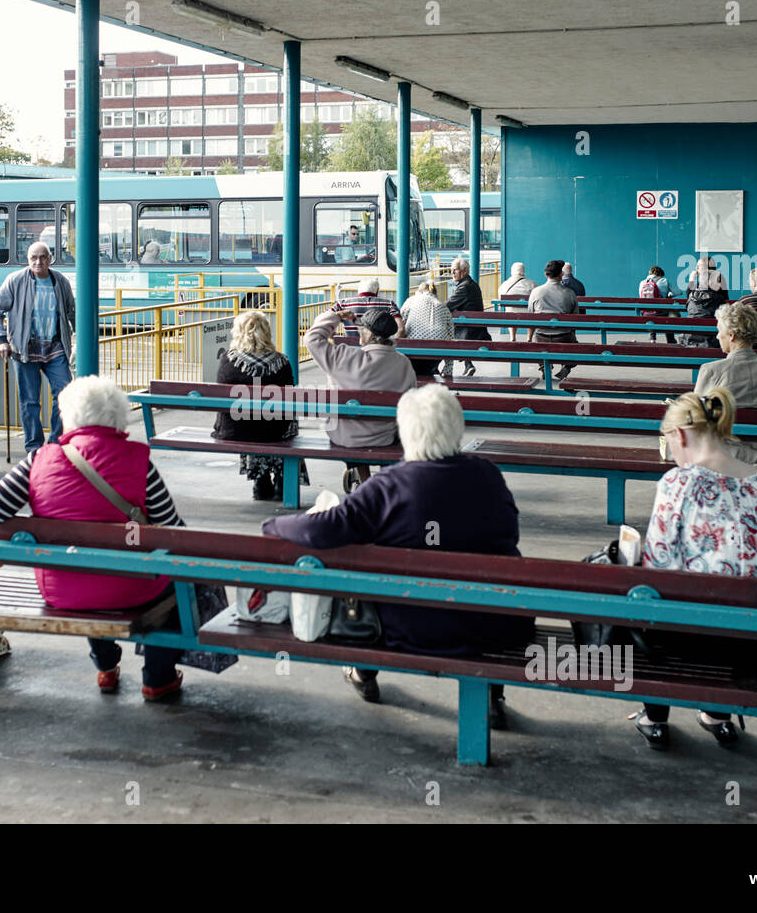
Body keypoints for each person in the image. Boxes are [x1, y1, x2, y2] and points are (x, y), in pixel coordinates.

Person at [262, 384, 533, 725]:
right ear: (457, 427)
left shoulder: (389, 486)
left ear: (406, 432)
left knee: (363, 578)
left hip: (411, 627)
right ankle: (491, 692)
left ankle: (363, 671)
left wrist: (274, 525)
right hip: (495, 624)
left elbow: (323, 529)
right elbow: (511, 535)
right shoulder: (487, 476)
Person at [0, 376, 187, 701]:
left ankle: (105, 665)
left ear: (68, 417)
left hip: (63, 590)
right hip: (134, 589)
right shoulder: (139, 462)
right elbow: (173, 533)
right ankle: (158, 678)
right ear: (117, 416)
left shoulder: (39, 460)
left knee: (83, 565)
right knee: (181, 582)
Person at [633, 387, 757, 750]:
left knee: (644, 599)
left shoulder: (680, 485)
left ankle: (654, 715)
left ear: (679, 435)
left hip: (697, 651)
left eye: (666, 442)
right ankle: (717, 714)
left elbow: (658, 571)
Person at [304, 305, 417, 490]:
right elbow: (411, 402)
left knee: (353, 426)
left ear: (368, 334)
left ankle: (365, 481)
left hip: (345, 437)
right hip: (384, 438)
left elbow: (312, 338)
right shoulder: (404, 363)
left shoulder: (343, 356)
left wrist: (335, 317)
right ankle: (380, 481)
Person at [212, 310, 310, 501]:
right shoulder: (281, 362)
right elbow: (289, 400)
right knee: (278, 422)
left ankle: (261, 479)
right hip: (274, 432)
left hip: (235, 430)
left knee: (251, 421)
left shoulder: (228, 360)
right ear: (266, 332)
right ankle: (281, 478)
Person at [0, 242, 76, 454]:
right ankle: (34, 448)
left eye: (43, 257)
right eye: (33, 258)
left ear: (50, 258)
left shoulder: (59, 280)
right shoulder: (15, 280)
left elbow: (73, 311)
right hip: (25, 350)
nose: (38, 262)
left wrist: (79, 340)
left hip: (55, 347)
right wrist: (1, 339)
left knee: (65, 395)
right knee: (30, 402)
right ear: (27, 260)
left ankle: (55, 444)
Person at [694, 303, 757, 471]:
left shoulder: (711, 370)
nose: (718, 336)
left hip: (722, 459)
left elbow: (698, 421)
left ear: (732, 335)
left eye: (720, 331)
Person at [527, 259, 579, 381]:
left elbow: (530, 317)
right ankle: (567, 365)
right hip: (564, 337)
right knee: (576, 347)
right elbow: (575, 318)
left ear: (546, 275)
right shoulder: (570, 293)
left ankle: (545, 368)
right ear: (561, 275)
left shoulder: (536, 292)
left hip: (541, 337)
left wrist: (529, 338)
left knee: (538, 344)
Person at [445, 256, 489, 376]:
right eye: (451, 270)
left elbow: (448, 305)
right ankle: (468, 365)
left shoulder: (464, 287)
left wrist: (433, 307)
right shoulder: (471, 284)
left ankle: (441, 370)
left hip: (471, 330)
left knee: (443, 339)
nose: (452, 273)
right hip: (475, 327)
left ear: (464, 271)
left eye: (455, 270)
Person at [400, 280, 454, 376]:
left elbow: (401, 323)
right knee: (427, 369)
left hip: (414, 350)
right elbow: (451, 336)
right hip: (437, 353)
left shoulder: (411, 301)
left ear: (420, 292)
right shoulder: (443, 306)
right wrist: (448, 368)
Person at [332, 278, 404, 338]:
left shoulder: (343, 303)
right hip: (377, 349)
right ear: (377, 290)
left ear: (359, 290)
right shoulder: (389, 304)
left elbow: (324, 318)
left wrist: (336, 337)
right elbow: (400, 329)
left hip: (350, 348)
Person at [681, 257, 728, 348]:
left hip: (693, 335)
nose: (696, 267)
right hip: (711, 333)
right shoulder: (700, 283)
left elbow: (689, 298)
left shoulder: (716, 280)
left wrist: (691, 281)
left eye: (699, 265)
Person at [639, 265, 680, 344]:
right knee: (671, 315)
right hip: (661, 313)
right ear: (661, 274)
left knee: (651, 312)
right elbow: (678, 292)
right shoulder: (664, 280)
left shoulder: (642, 282)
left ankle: (652, 338)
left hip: (646, 314)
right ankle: (670, 339)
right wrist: (669, 295)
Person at [498, 261, 535, 341]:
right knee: (533, 313)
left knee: (511, 311)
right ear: (523, 271)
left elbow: (500, 298)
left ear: (512, 271)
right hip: (528, 316)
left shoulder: (505, 284)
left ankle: (512, 337)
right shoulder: (531, 284)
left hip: (511, 316)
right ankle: (529, 338)